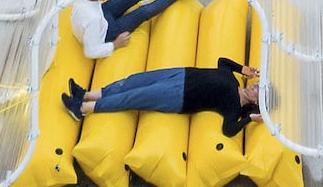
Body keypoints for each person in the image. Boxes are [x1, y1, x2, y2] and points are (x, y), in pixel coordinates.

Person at [63, 58, 263, 137]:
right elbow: (223, 62)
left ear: (255, 102)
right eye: (256, 85)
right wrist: (242, 69)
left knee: (133, 97)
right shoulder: (233, 80)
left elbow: (228, 130)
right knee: (134, 81)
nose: (254, 87)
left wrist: (249, 119)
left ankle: (81, 109)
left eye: (257, 91)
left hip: (179, 96)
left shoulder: (234, 107)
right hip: (180, 74)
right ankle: (87, 95)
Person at [71, 0, 185, 59]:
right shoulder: (92, 20)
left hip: (103, 12)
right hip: (109, 32)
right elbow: (91, 51)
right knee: (144, 12)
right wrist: (115, 44)